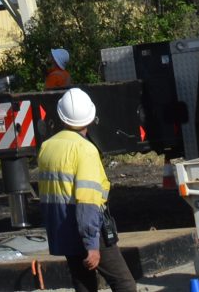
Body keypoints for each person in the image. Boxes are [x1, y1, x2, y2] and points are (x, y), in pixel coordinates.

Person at [36, 87, 137, 289]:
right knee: (124, 283)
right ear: (90, 117)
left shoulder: (47, 147)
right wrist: (92, 245)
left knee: (84, 284)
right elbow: (87, 201)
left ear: (61, 115)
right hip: (87, 229)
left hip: (63, 230)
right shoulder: (85, 150)